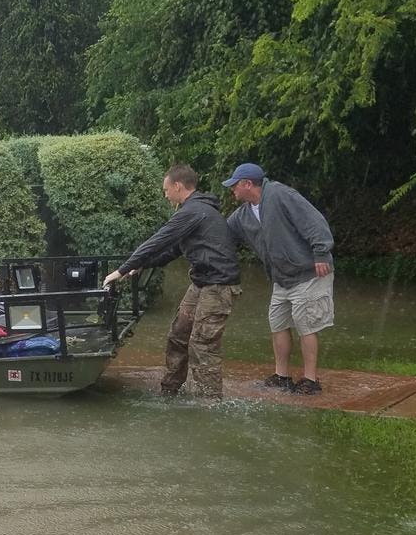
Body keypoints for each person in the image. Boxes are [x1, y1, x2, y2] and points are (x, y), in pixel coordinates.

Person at [103, 164, 241, 399]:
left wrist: (122, 269)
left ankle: (210, 402)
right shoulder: (196, 210)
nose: (165, 194)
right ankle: (169, 392)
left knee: (202, 344)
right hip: (201, 282)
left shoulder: (193, 211)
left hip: (218, 284)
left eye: (166, 190)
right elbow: (174, 249)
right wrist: (144, 264)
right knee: (178, 335)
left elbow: (160, 239)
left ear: (178, 186)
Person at [224, 162, 334, 395]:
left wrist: (321, 252)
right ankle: (282, 376)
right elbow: (222, 234)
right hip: (281, 278)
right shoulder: (242, 215)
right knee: (278, 323)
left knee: (307, 325)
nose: (231, 189)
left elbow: (313, 220)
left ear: (248, 184)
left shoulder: (280, 194)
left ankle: (310, 380)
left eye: (234, 185)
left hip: (309, 272)